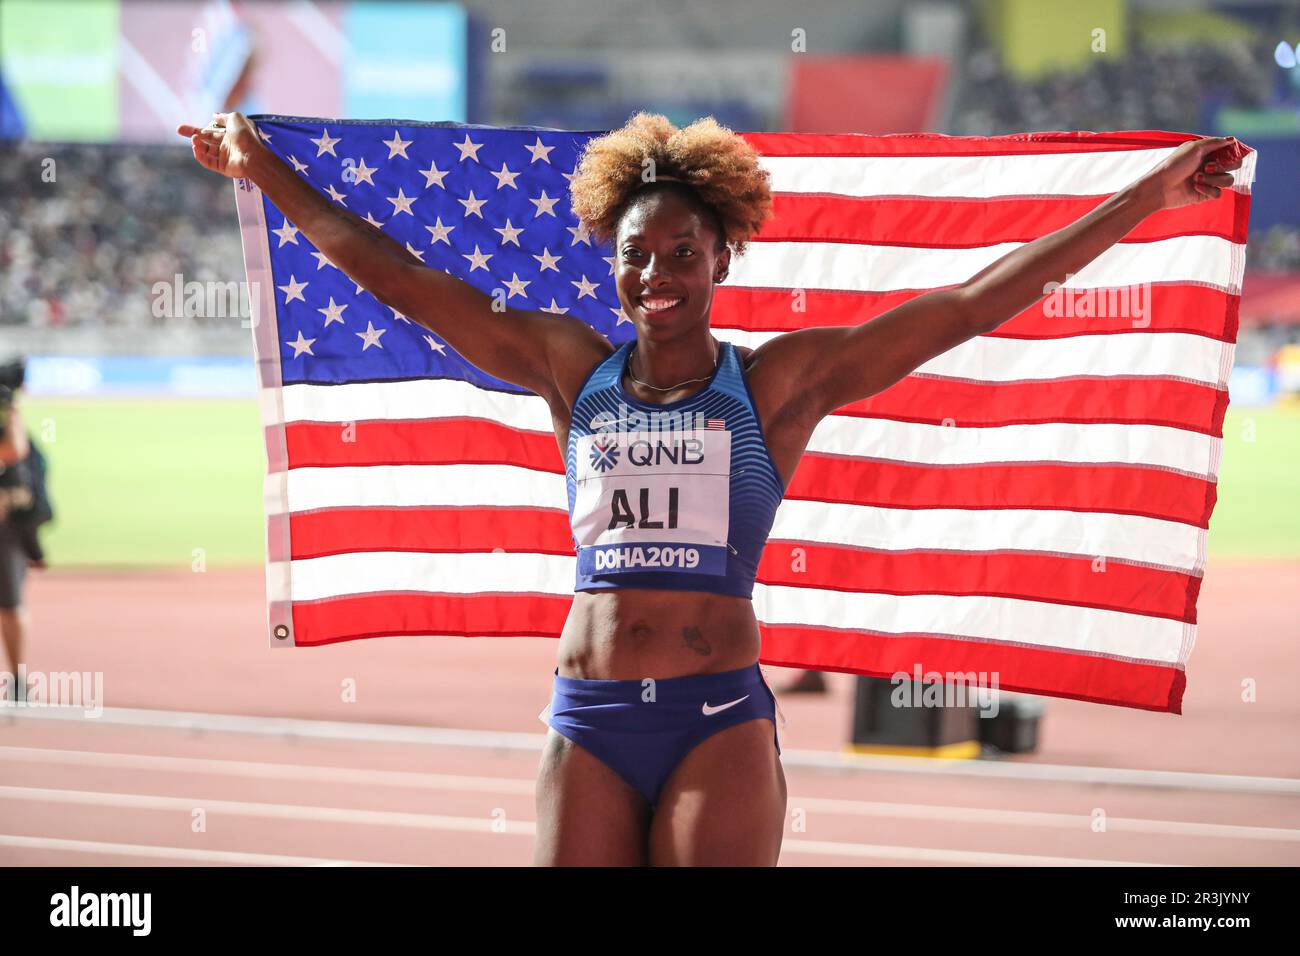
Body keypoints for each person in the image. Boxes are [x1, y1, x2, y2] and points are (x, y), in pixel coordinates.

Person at [179, 110, 1239, 865]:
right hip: (586, 716)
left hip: (713, 717)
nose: (658, 277)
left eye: (682, 252)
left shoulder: (777, 381)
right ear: (614, 264)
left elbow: (970, 302)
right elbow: (401, 279)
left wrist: (1146, 196)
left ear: (721, 255)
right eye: (637, 257)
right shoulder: (571, 367)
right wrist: (260, 171)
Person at [0, 361, 51, 701]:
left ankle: (18, 682)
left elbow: (15, 450)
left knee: (10, 601)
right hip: (14, 523)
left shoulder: (9, 412)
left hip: (9, 525)